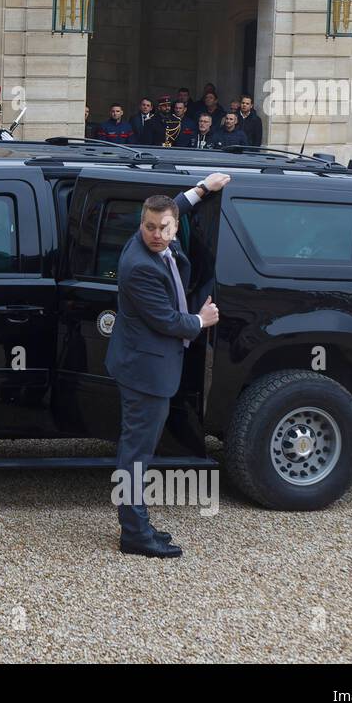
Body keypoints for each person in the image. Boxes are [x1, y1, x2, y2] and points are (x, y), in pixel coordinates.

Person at [105, 173, 229, 558]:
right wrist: (201, 321)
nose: (155, 234)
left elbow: (175, 202)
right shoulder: (139, 265)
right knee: (137, 453)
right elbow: (166, 320)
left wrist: (201, 190)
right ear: (140, 225)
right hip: (145, 371)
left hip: (143, 363)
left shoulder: (156, 237)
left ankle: (137, 522)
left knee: (138, 449)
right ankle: (134, 533)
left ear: (174, 226)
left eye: (162, 228)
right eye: (148, 227)